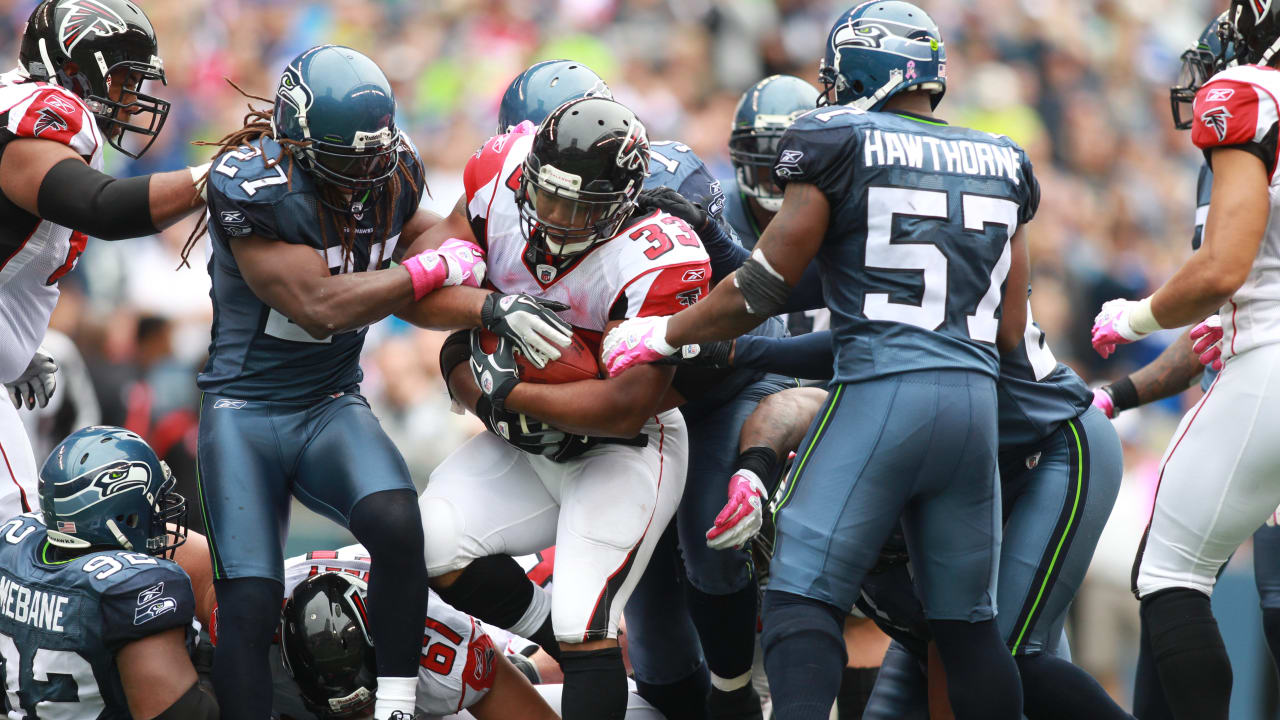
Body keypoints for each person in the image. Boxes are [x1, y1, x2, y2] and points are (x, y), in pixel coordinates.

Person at [602, 3, 1037, 717]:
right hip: (973, 407)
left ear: (866, 71)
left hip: (882, 393)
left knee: (800, 595)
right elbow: (1011, 330)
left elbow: (764, 285)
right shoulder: (1004, 157)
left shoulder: (837, 138)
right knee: (968, 627)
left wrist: (664, 334)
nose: (828, 92)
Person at [190, 43, 552, 720]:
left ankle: (395, 703)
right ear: (296, 139)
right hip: (246, 410)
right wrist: (431, 269)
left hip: (331, 403)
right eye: (347, 158)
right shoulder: (252, 185)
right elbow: (318, 304)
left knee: (397, 524)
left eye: (371, 156)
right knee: (248, 601)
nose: (363, 173)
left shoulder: (388, 170)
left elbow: (426, 234)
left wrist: (466, 258)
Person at [418, 95, 708, 720]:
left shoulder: (660, 253)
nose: (550, 214)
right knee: (433, 540)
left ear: (622, 202)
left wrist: (506, 394)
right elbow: (418, 286)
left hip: (627, 449)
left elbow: (627, 407)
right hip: (529, 446)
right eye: (545, 194)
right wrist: (485, 312)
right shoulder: (501, 174)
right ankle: (567, 651)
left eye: (575, 205)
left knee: (586, 618)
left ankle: (585, 653)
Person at [1090, 2, 1280, 717]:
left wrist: (1135, 315)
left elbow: (1222, 269)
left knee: (1169, 571)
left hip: (1269, 361)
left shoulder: (1249, 94)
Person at [0, 0, 209, 519]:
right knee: (16, 532)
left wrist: (11, 348)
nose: (133, 98)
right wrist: (214, 176)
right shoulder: (42, 110)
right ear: (72, 67)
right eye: (121, 78)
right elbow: (103, 208)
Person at [0, 425, 217, 719]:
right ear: (123, 515)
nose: (160, 515)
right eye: (153, 502)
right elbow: (182, 713)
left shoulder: (12, 543)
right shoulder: (132, 587)